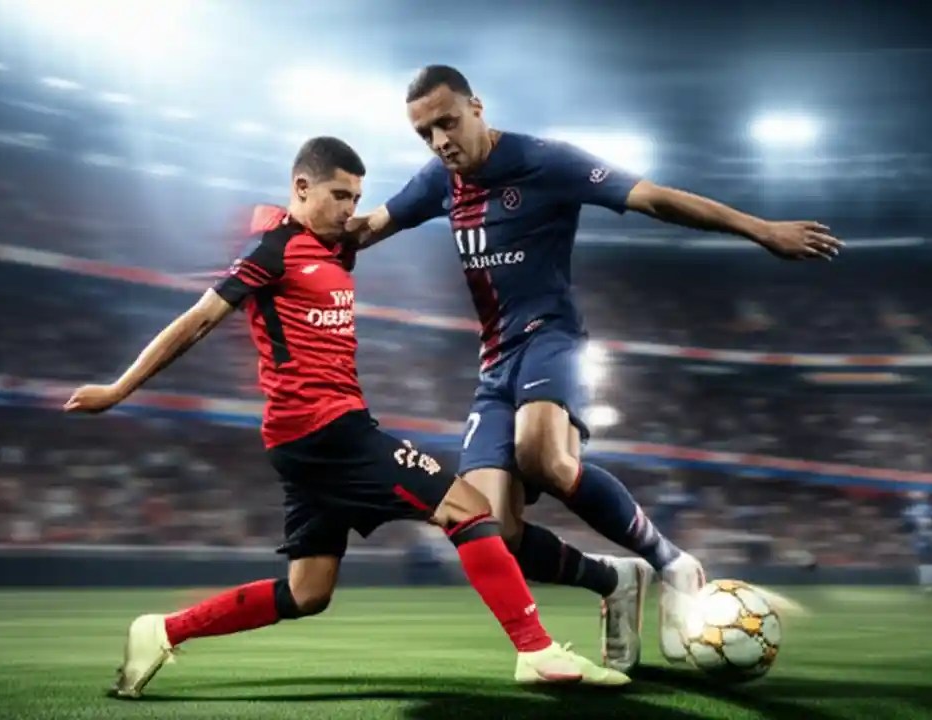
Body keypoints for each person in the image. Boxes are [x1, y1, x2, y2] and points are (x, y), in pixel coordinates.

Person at [63, 136, 629, 698]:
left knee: (307, 593)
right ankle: (535, 648)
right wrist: (118, 388)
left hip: (301, 441)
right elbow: (198, 320)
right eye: (339, 196)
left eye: (356, 198)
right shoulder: (273, 250)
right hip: (327, 430)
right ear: (301, 188)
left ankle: (160, 631)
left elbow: (389, 219)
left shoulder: (335, 247)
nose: (350, 211)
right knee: (469, 507)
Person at [346, 65, 843, 670]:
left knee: (542, 456)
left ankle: (673, 564)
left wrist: (760, 229)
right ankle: (614, 579)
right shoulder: (438, 180)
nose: (440, 141)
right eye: (425, 133)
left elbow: (654, 197)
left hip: (552, 341)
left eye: (448, 122)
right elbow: (370, 226)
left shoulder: (545, 161)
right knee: (486, 531)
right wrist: (290, 240)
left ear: (477, 107)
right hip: (495, 367)